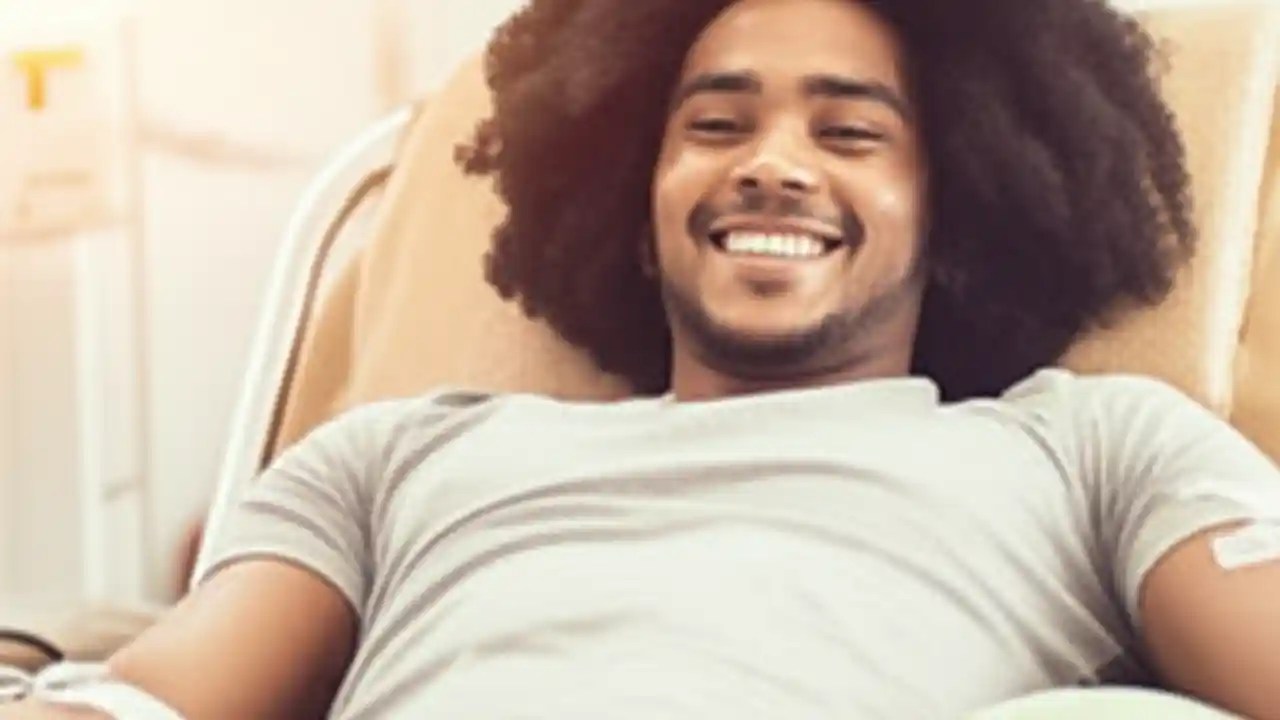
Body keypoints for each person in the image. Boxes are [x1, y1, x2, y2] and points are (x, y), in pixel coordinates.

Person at [6, 0, 1280, 717]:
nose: (772, 162)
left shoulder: (1092, 447)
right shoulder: (400, 453)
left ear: (958, 216)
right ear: (631, 197)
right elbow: (153, 701)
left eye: (849, 133)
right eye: (714, 124)